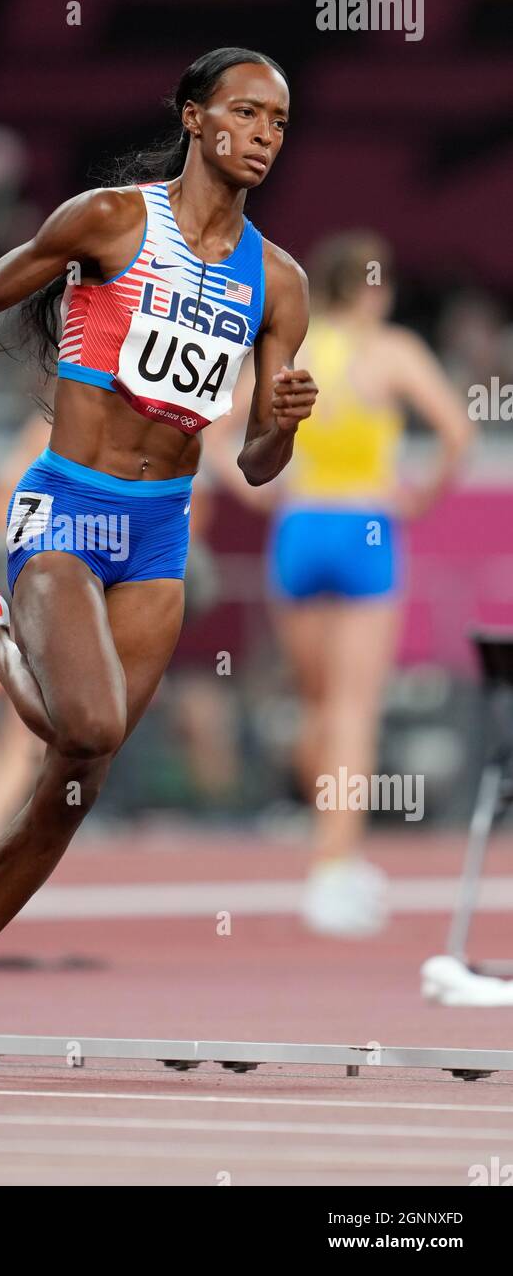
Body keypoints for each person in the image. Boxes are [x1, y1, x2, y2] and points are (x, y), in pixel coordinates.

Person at [0, 46, 318, 1073]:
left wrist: (284, 425)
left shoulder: (280, 283)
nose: (263, 134)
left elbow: (255, 463)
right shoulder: (111, 221)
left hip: (161, 527)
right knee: (89, 717)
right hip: (67, 508)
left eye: (279, 123)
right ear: (193, 115)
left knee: (74, 783)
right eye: (247, 113)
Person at [203, 231, 472, 936]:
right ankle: (332, 865)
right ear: (373, 290)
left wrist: (250, 488)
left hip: (297, 527)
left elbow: (213, 428)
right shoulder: (391, 353)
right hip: (365, 528)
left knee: (316, 703)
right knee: (354, 708)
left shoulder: (289, 351)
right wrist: (416, 495)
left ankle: (331, 851)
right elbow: (456, 431)